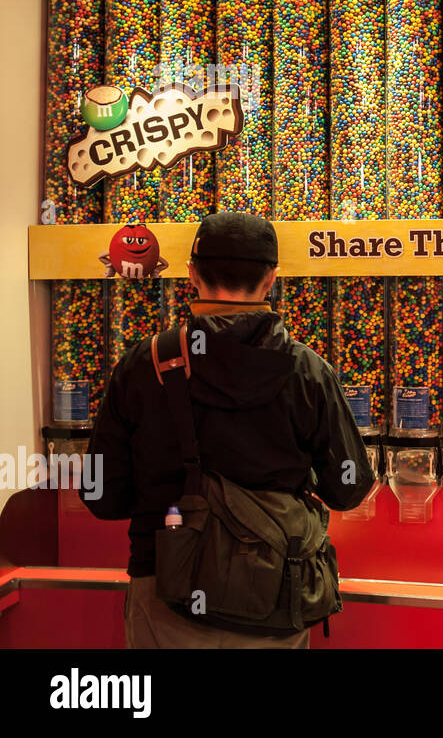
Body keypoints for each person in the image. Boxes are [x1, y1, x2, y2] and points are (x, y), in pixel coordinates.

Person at [81, 212, 374, 648]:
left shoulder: (145, 364)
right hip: (274, 595)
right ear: (271, 279)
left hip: (165, 594)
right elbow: (349, 489)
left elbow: (102, 496)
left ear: (192, 274)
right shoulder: (307, 370)